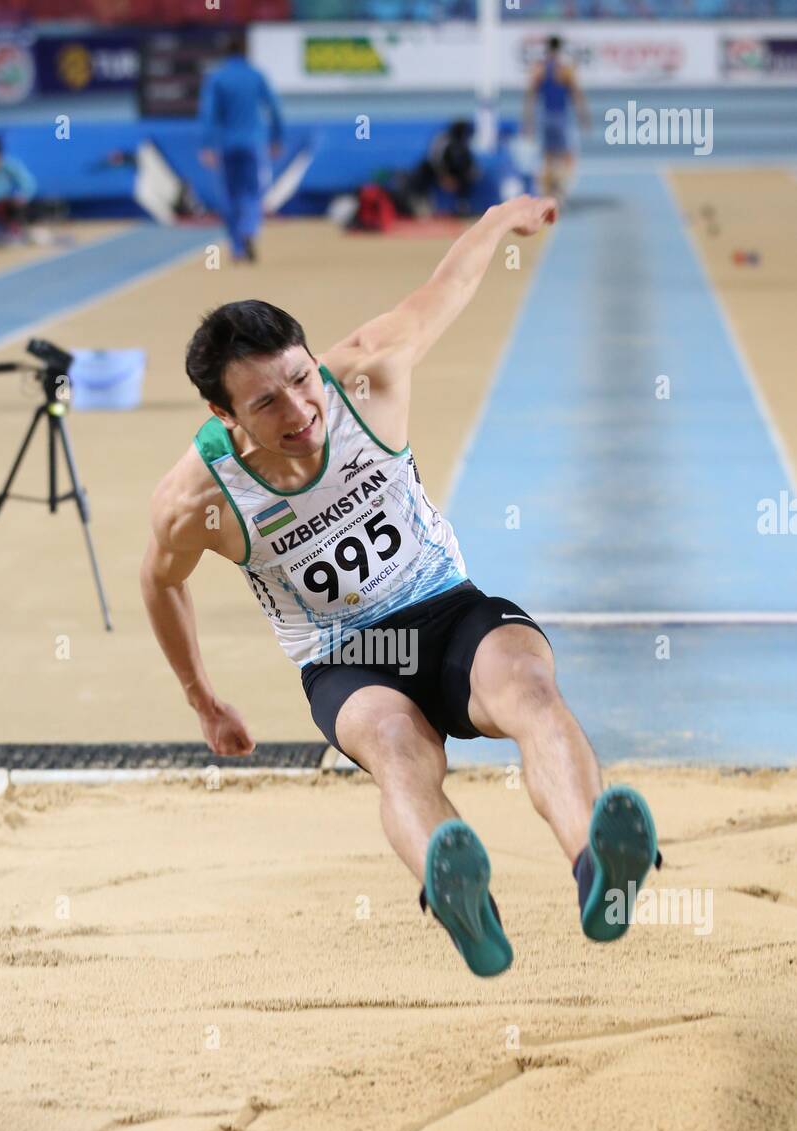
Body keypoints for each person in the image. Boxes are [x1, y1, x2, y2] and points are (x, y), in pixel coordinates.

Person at [140, 194, 660, 977]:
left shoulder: (365, 374)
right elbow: (159, 583)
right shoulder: (198, 499)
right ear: (223, 414)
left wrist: (493, 223)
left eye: (300, 378)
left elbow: (443, 290)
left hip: (448, 608)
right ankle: (461, 899)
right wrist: (201, 698)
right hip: (347, 657)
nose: (302, 411)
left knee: (528, 689)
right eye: (267, 402)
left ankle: (599, 868)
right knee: (396, 750)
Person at [197, 33, 284, 263]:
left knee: (229, 195)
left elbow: (208, 114)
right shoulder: (255, 76)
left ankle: (236, 247)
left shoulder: (217, 78)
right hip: (253, 144)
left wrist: (206, 145)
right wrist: (277, 137)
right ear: (246, 52)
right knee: (252, 192)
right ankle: (248, 229)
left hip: (227, 144)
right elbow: (274, 108)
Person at [524, 36, 590, 202]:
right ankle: (559, 191)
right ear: (560, 50)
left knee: (547, 156)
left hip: (545, 116)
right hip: (560, 117)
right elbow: (577, 95)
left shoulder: (539, 69)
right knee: (565, 157)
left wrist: (528, 123)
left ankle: (547, 193)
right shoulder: (565, 70)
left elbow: (530, 98)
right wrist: (584, 118)